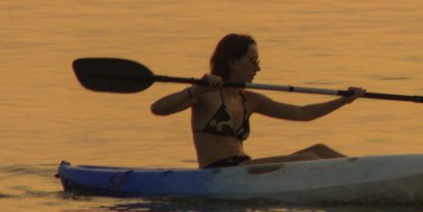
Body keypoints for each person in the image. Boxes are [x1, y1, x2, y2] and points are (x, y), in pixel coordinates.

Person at [150, 34, 365, 169]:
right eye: (252, 61)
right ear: (233, 62)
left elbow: (302, 113)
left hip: (244, 167)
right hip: (219, 174)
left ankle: (363, 171)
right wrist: (195, 89)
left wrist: (344, 100)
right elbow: (158, 109)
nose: (258, 68)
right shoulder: (205, 95)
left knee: (320, 149)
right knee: (309, 157)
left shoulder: (250, 100)